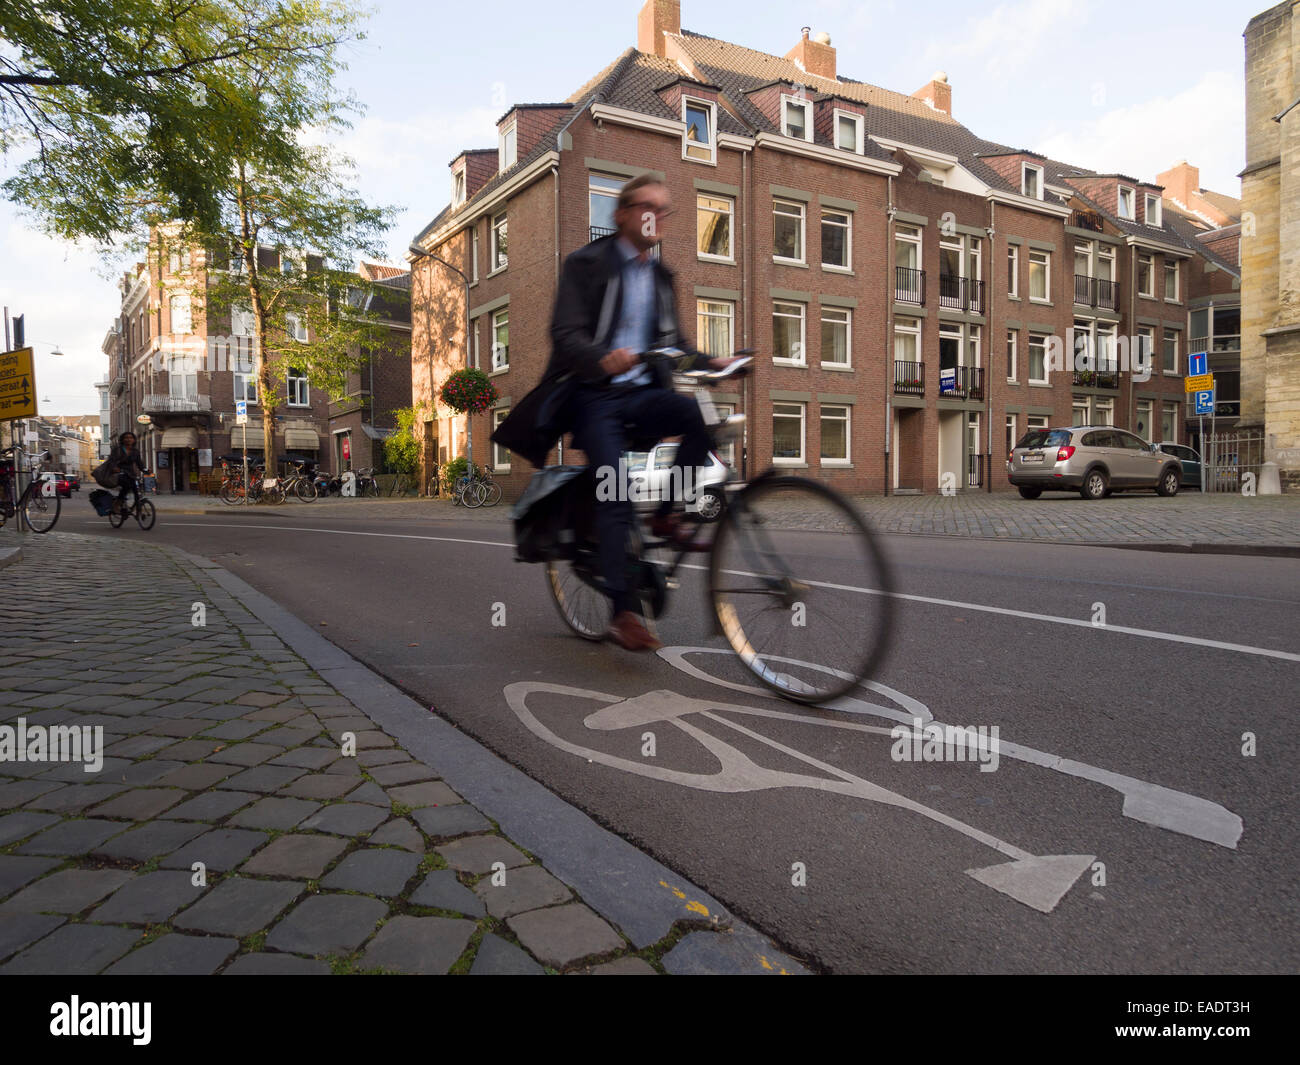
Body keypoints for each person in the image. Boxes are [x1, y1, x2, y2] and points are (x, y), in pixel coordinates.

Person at [503, 174, 743, 652]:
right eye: (646, 206)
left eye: (664, 209)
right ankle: (623, 614)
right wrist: (600, 357)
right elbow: (565, 333)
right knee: (614, 486)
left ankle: (666, 515)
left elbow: (675, 347)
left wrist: (714, 363)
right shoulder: (586, 264)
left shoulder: (660, 277)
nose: (656, 215)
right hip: (592, 395)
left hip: (640, 395)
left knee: (696, 418)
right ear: (623, 214)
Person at [107, 431, 145, 515]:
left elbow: (139, 463)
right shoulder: (117, 450)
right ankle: (117, 504)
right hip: (119, 473)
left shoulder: (135, 451)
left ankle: (138, 507)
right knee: (127, 485)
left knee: (136, 490)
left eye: (131, 438)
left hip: (130, 473)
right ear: (122, 440)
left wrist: (145, 470)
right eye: (126, 438)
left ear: (134, 440)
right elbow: (111, 461)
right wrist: (114, 467)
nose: (129, 439)